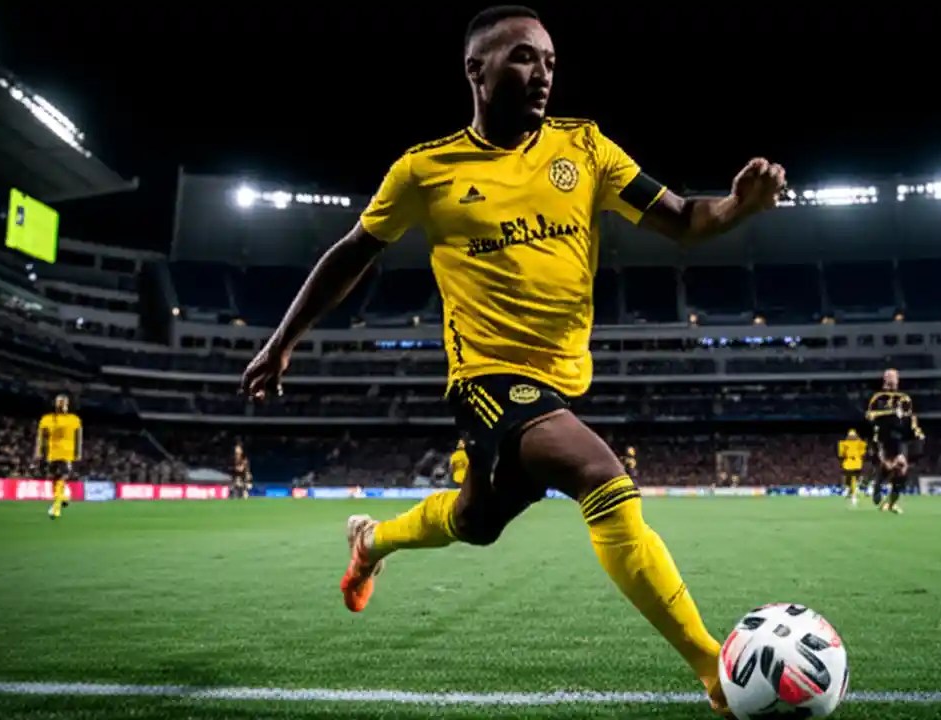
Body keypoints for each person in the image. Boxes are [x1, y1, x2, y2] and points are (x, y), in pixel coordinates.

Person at [239, 6, 785, 714]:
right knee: (600, 475)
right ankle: (715, 668)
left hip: (557, 382)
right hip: (486, 378)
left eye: (551, 62)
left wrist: (738, 207)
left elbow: (681, 218)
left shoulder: (584, 148)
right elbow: (353, 254)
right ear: (477, 69)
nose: (543, 74)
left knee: (477, 520)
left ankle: (372, 540)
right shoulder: (425, 170)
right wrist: (282, 342)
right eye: (525, 58)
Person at [866, 368, 923, 514]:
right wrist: (890, 413)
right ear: (885, 379)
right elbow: (870, 416)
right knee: (889, 466)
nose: (892, 379)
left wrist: (916, 432)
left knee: (902, 468)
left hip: (900, 437)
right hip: (883, 437)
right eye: (889, 376)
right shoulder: (878, 397)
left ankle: (891, 503)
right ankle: (878, 485)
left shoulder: (904, 398)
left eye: (894, 376)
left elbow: (910, 417)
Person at [35, 394, 81, 520]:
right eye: (59, 402)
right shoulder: (46, 419)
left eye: (63, 402)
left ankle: (56, 508)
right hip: (52, 454)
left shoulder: (74, 419)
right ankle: (64, 497)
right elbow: (41, 437)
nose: (61, 405)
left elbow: (78, 437)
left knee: (61, 477)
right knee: (55, 480)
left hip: (66, 454)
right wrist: (39, 452)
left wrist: (77, 453)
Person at [837, 428, 867, 507]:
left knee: (853, 479)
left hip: (853, 464)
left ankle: (853, 495)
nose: (852, 437)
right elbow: (863, 452)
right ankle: (851, 492)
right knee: (850, 480)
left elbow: (841, 454)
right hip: (851, 463)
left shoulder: (846, 443)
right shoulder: (846, 443)